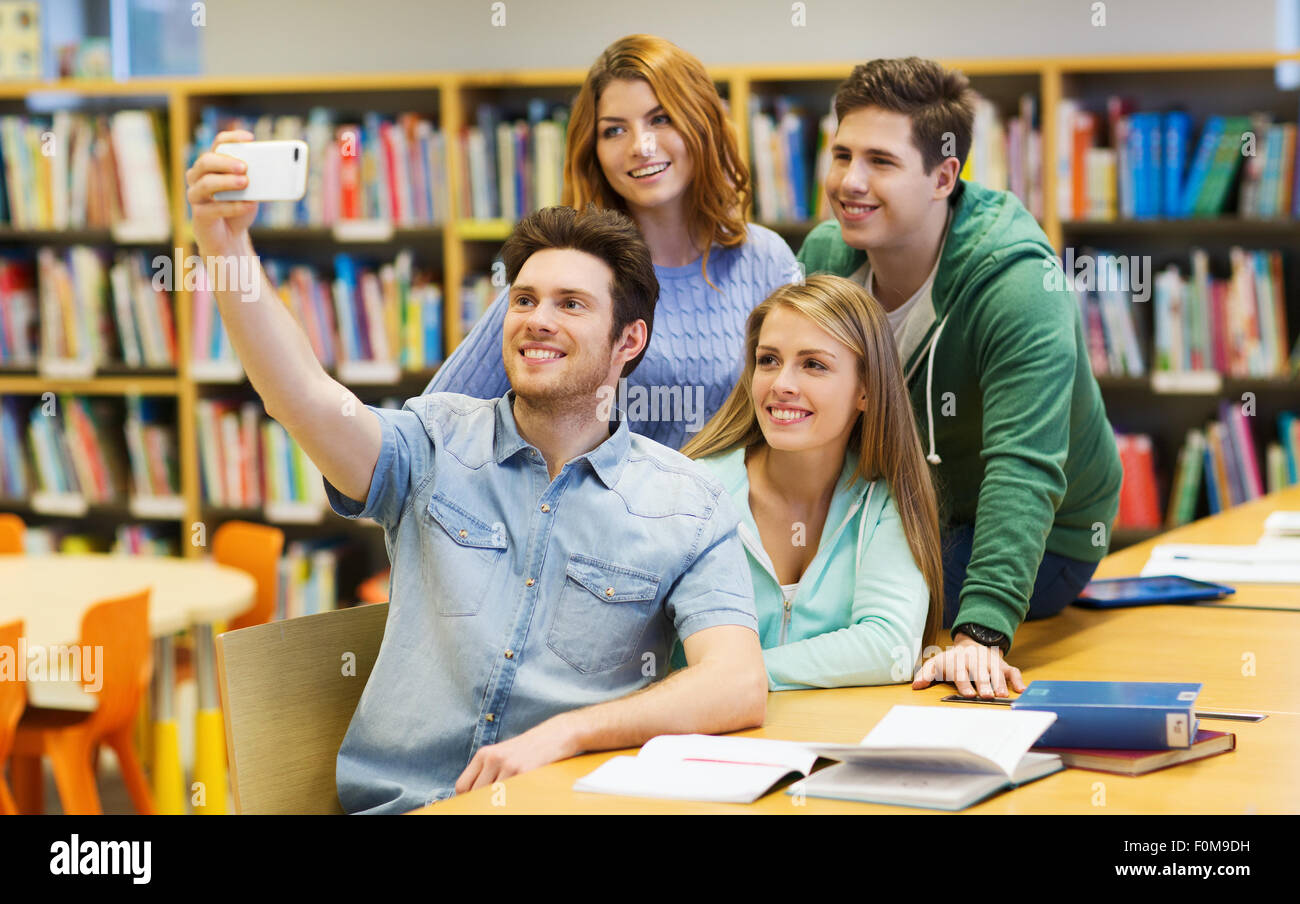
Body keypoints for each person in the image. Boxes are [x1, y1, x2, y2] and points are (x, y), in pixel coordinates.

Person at [187, 136, 768, 814]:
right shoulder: (433, 442)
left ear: (628, 341)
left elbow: (735, 683)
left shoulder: (687, 502)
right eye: (524, 300)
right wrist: (224, 245)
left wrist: (567, 734)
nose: (537, 322)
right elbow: (302, 398)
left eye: (570, 305)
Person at [796, 57, 1122, 698]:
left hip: (1047, 534)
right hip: (901, 508)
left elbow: (1023, 467)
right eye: (841, 155)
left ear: (944, 175)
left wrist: (983, 634)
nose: (850, 181)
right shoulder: (825, 258)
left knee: (830, 604)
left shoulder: (1019, 284)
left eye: (881, 162)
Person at [426, 34, 797, 450]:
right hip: (593, 512)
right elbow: (431, 432)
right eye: (615, 130)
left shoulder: (767, 259)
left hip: (739, 513)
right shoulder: (569, 268)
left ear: (702, 123)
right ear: (594, 149)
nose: (641, 146)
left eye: (661, 119)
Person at [678, 274, 942, 689]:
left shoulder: (884, 500)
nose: (781, 385)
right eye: (768, 360)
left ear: (867, 390)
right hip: (696, 740)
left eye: (813, 365)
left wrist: (732, 679)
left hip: (820, 739)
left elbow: (892, 646)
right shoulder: (691, 491)